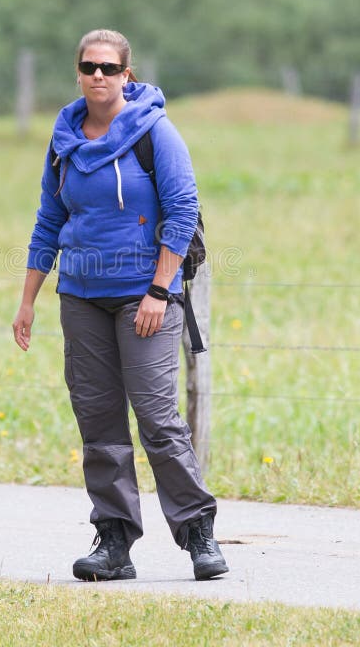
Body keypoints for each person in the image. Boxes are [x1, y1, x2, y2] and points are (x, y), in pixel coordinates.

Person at [12, 29, 228, 582]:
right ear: (78, 73)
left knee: (157, 418)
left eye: (110, 67)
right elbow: (48, 220)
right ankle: (113, 542)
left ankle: (199, 534)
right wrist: (28, 300)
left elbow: (182, 210)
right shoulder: (63, 139)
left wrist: (159, 290)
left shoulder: (155, 132)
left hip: (144, 297)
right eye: (89, 67)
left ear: (127, 75)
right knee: (99, 420)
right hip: (81, 297)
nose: (99, 76)